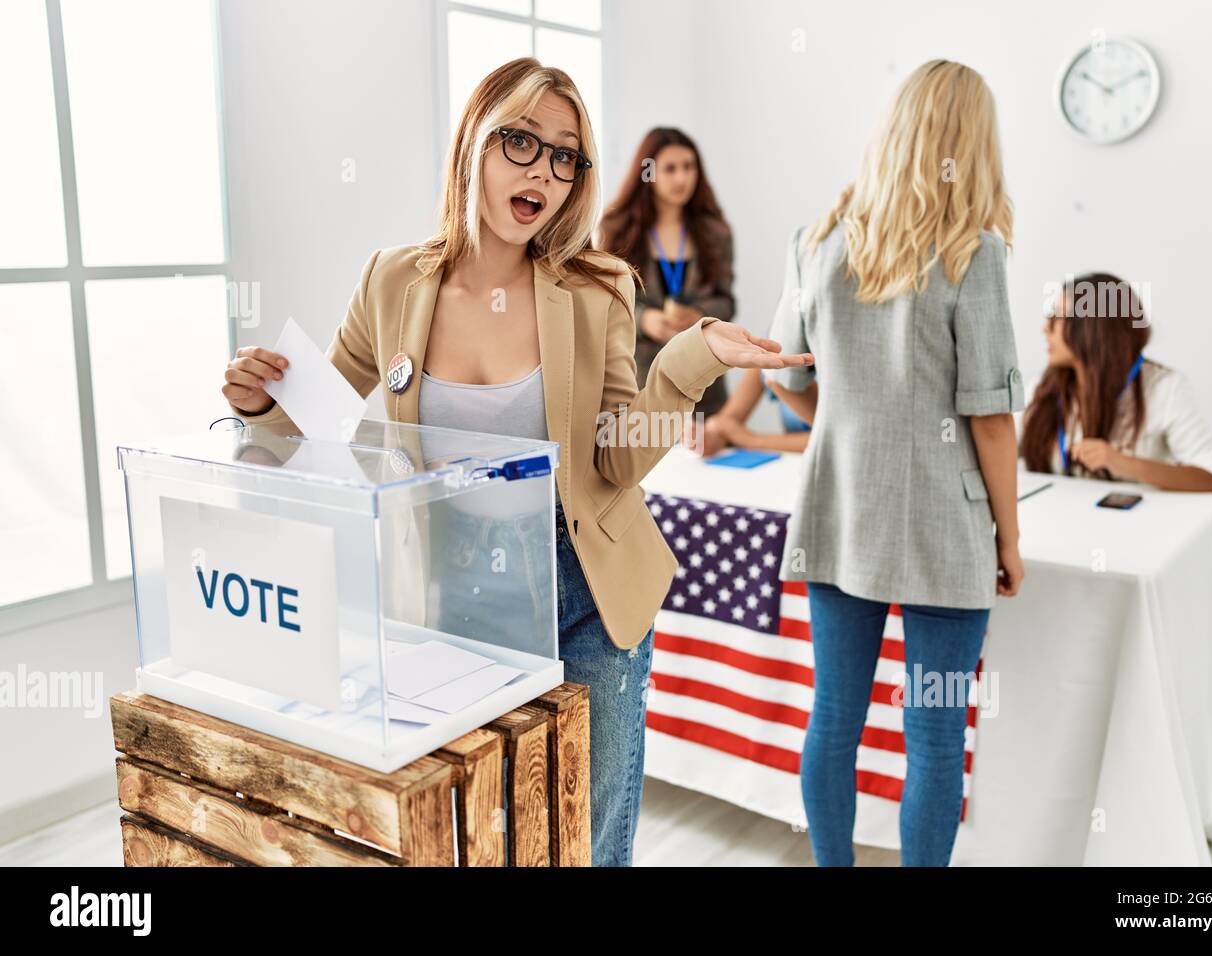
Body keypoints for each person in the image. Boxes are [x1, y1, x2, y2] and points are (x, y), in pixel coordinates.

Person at [219, 57, 811, 866]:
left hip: (584, 594)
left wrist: (687, 359)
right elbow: (313, 419)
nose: (545, 170)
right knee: (480, 832)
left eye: (567, 155)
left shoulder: (597, 288)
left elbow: (614, 461)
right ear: (474, 141)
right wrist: (257, 403)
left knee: (589, 836)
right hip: (447, 599)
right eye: (523, 142)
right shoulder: (392, 281)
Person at [765, 60, 1024, 867]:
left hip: (842, 512)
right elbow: (989, 416)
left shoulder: (818, 239)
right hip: (947, 534)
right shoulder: (973, 253)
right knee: (936, 736)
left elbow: (784, 374)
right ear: (972, 143)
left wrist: (843, 420)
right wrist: (1008, 538)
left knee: (834, 715)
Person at [1020, 273, 1212, 495]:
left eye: (1058, 318)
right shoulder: (1042, 388)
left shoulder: (1165, 388)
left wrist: (1122, 463)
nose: (1045, 328)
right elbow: (1002, 447)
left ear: (1093, 329)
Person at [598, 127, 737, 418]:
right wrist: (644, 319)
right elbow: (602, 304)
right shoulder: (618, 231)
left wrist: (699, 313)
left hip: (704, 385)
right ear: (647, 172)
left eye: (689, 167)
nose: (682, 178)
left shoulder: (715, 233)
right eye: (670, 169)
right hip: (640, 384)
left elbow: (726, 301)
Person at [683, 367, 813, 457]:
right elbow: (726, 424)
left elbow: (830, 442)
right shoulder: (772, 342)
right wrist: (710, 437)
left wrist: (751, 440)